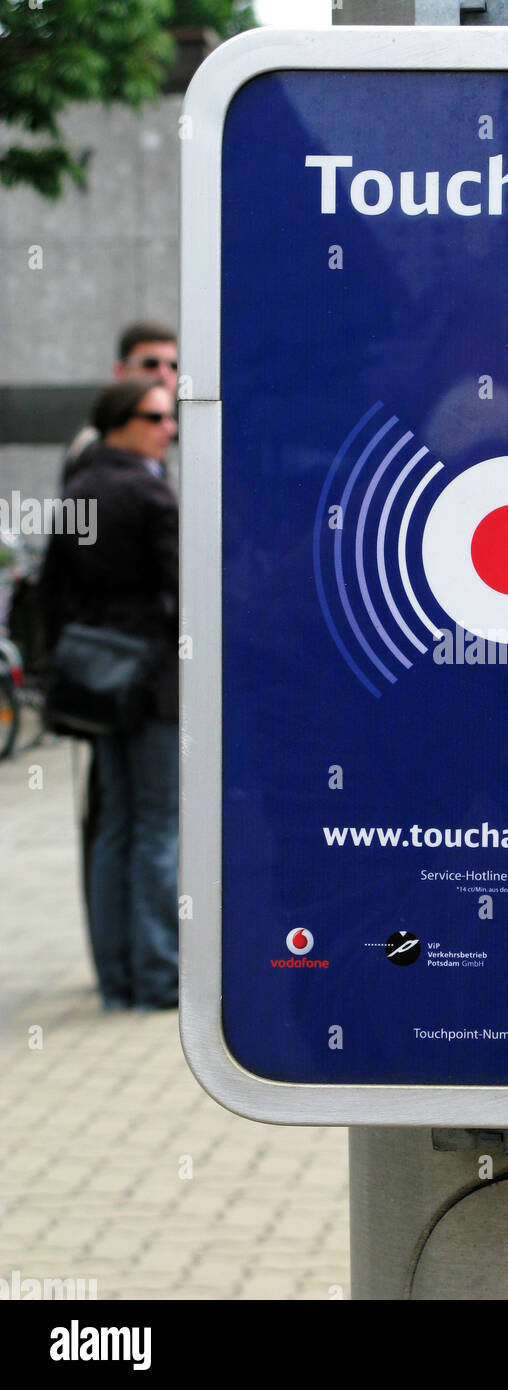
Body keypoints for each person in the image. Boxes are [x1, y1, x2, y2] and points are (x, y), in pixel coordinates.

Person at [41, 378, 179, 1011]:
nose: (169, 427)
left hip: (97, 679)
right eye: (155, 416)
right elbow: (188, 593)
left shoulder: (77, 491)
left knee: (115, 825)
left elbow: (49, 594)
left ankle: (115, 980)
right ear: (122, 422)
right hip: (151, 680)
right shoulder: (150, 493)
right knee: (156, 826)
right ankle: (158, 978)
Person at [62, 321, 178, 485]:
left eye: (173, 366)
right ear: (120, 371)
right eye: (150, 364)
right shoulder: (96, 444)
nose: (163, 374)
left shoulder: (147, 443)